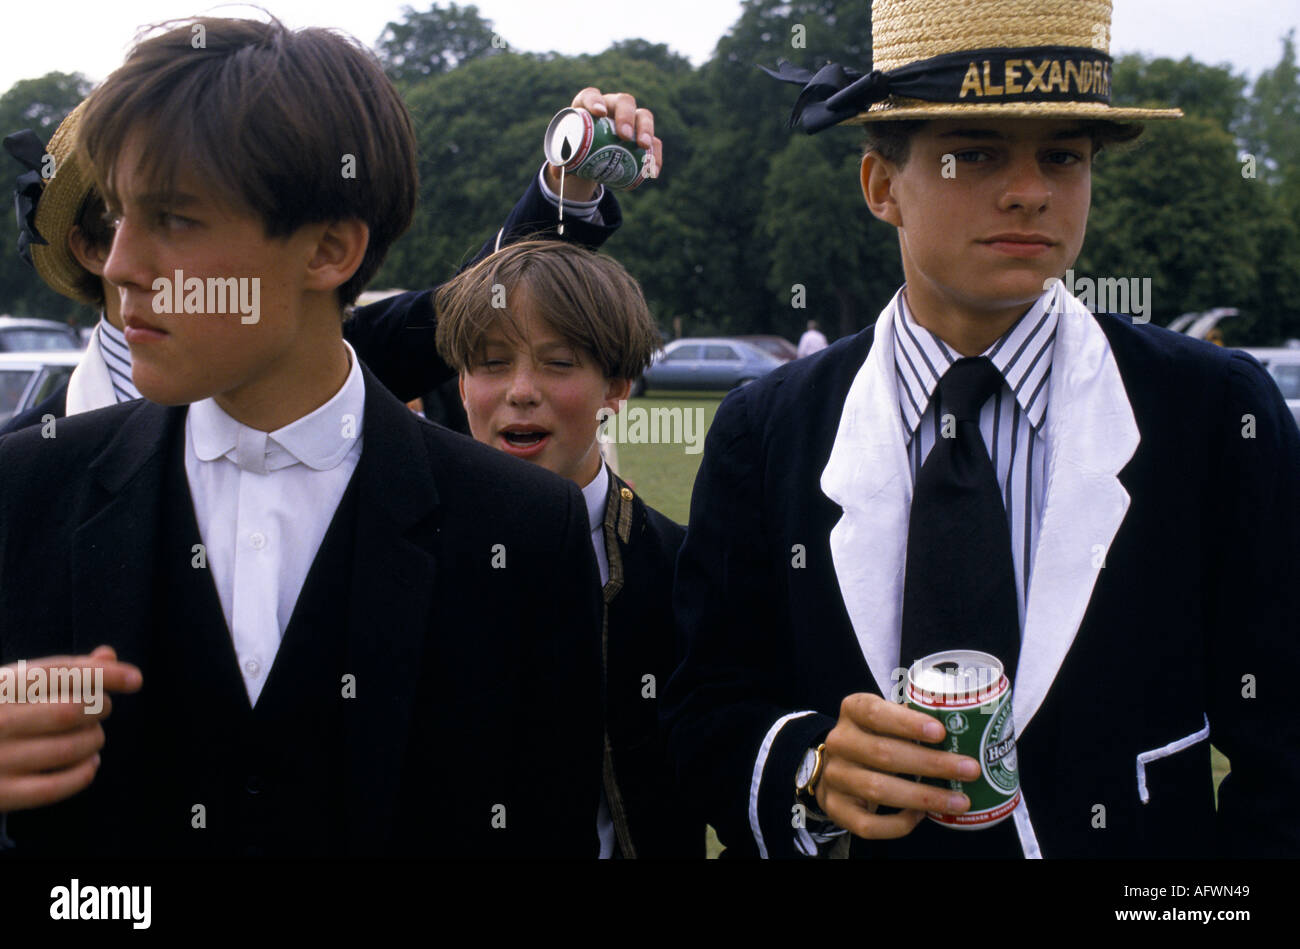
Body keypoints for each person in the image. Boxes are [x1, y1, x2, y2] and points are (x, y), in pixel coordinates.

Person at [663, 0, 1299, 859]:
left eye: (1063, 156)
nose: (1031, 190)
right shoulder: (767, 428)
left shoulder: (1217, 409)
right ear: (882, 185)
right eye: (978, 152)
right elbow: (705, 710)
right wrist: (809, 769)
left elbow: (1284, 744)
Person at [0, 16, 607, 857]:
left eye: (173, 219)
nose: (119, 265)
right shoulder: (24, 488)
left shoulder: (523, 527)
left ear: (329, 249)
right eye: (113, 219)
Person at [1, 84, 660, 435]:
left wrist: (567, 188)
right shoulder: (23, 469)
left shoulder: (327, 366)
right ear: (88, 247)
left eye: (180, 212)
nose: (132, 257)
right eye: (120, 216)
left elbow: (467, 301)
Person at [434, 239, 705, 858]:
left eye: (558, 364)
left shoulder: (678, 570)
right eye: (492, 363)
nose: (522, 391)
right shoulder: (409, 558)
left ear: (617, 386)